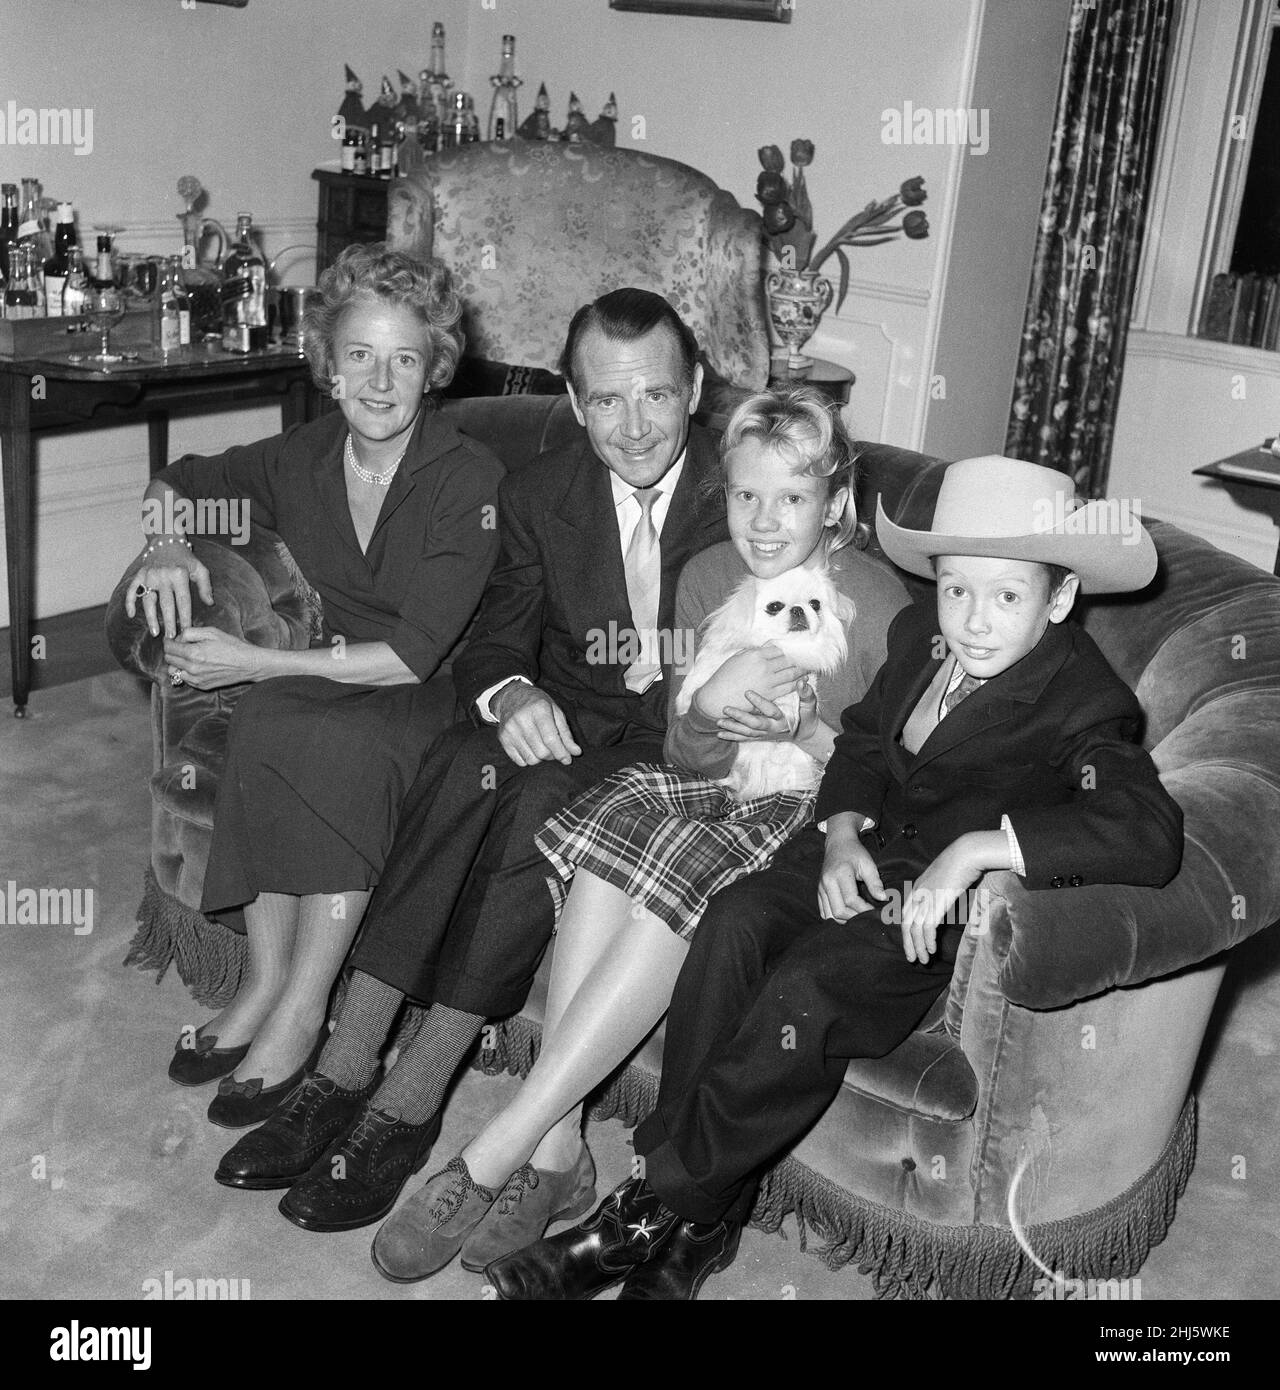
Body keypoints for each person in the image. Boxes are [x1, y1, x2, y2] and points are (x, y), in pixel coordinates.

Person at [486, 454, 1187, 1301]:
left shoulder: (1085, 697)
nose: (974, 621)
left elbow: (1149, 831)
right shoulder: (919, 638)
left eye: (1008, 596)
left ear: (1060, 598)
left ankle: (643, 1214)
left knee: (809, 987)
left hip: (925, 913)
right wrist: (845, 829)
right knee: (733, 919)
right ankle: (704, 1222)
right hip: (850, 853)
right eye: (956, 590)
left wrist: (976, 852)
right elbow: (858, 742)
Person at [362, 386, 912, 1283]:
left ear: (835, 503)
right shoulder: (706, 578)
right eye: (746, 495)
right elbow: (681, 751)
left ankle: (500, 1147)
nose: (764, 522)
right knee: (612, 837)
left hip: (806, 804)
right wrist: (711, 708)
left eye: (792, 498)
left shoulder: (879, 603)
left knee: (671, 879)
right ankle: (561, 1148)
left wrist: (805, 730)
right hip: (708, 780)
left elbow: (894, 768)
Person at [213, 288, 730, 1229]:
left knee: (534, 805)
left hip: (682, 747)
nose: (633, 426)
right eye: (606, 400)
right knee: (461, 761)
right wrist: (514, 694)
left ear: (694, 388)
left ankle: (411, 1099)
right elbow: (496, 640)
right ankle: (344, 1067)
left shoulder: (745, 491)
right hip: (565, 718)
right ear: (573, 403)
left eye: (656, 395)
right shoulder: (539, 492)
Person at [128, 243, 503, 1129]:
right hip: (336, 667)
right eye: (360, 354)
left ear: (434, 370)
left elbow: (412, 657)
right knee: (265, 721)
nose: (380, 380)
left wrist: (256, 659)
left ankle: (305, 1007)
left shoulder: (467, 478)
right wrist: (165, 544)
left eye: (404, 359)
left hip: (439, 687)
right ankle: (262, 985)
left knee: (333, 738)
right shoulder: (302, 456)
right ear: (329, 364)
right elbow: (175, 482)